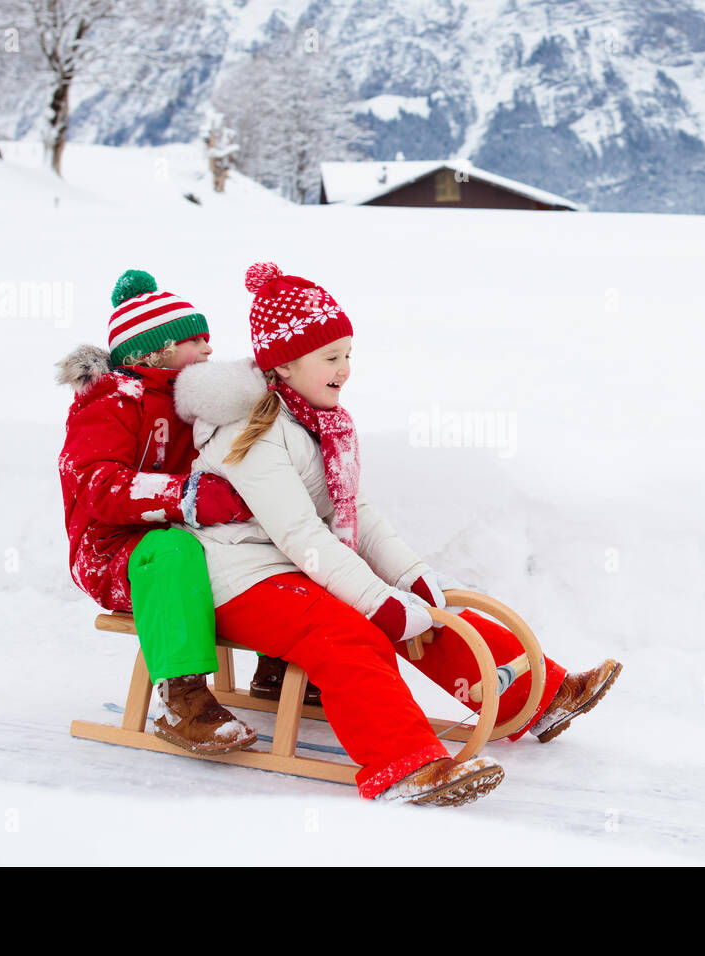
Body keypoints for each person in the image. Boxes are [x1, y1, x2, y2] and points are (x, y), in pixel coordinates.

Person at [172, 262, 622, 805]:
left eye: (348, 355)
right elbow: (302, 536)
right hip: (242, 577)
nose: (345, 369)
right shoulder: (256, 435)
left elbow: (356, 513)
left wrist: (411, 577)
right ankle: (403, 762)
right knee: (350, 631)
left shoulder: (319, 423)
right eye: (331, 357)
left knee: (419, 610)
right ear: (285, 365)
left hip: (296, 565)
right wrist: (376, 602)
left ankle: (540, 697)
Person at [55, 268, 259, 755]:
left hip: (181, 533)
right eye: (195, 340)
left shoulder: (190, 398)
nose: (209, 349)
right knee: (172, 552)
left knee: (260, 543)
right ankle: (181, 695)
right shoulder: (109, 403)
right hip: (111, 552)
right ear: (154, 351)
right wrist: (184, 494)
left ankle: (280, 664)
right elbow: (95, 483)